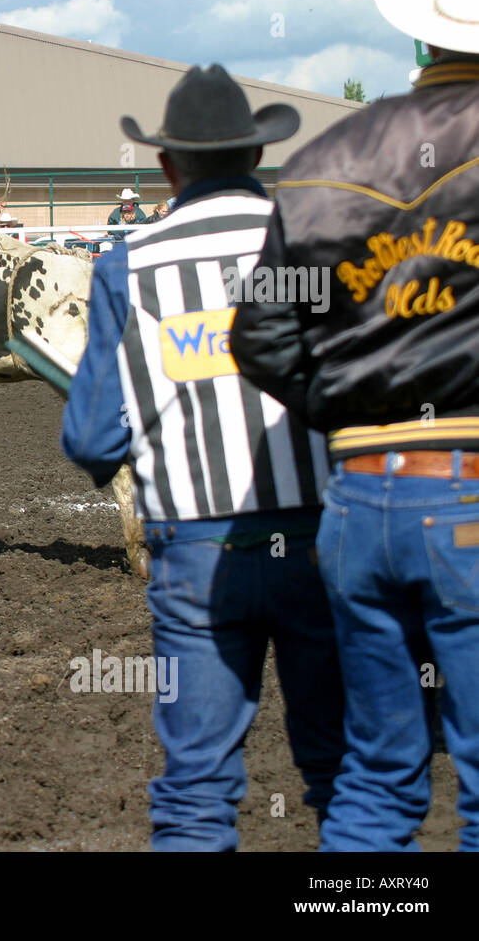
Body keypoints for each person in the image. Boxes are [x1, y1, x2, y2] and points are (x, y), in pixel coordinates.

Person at [60, 64, 345, 852]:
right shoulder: (312, 245)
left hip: (193, 551)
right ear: (257, 157)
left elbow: (91, 438)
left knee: (196, 789)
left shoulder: (126, 265)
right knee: (341, 772)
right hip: (320, 540)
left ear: (165, 166)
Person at [232, 0, 479, 852]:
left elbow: (259, 337)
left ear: (418, 42)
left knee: (378, 774)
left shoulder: (325, 153)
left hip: (360, 499)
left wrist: (341, 405)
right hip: (469, 490)